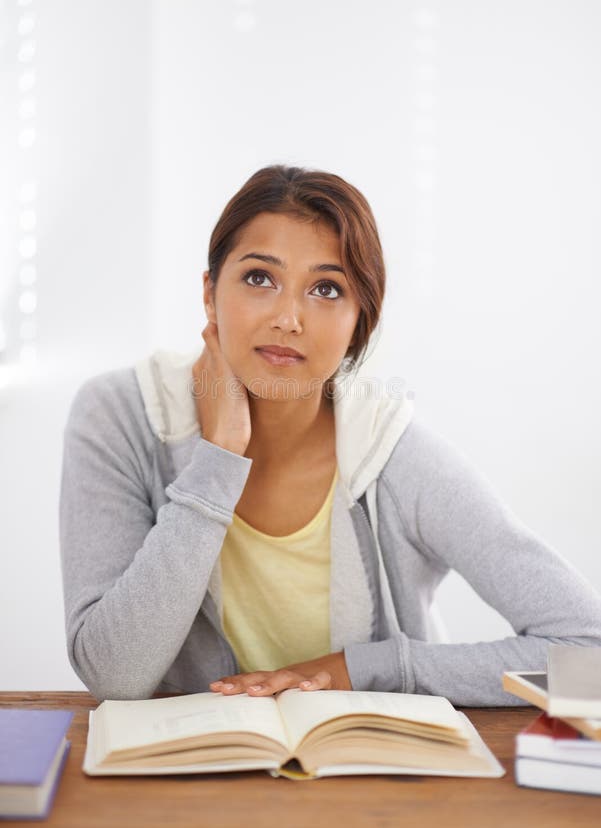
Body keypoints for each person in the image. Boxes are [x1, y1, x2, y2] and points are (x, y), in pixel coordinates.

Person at [59, 164, 601, 705]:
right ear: (209, 293)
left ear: (357, 324)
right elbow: (115, 675)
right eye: (258, 278)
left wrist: (362, 669)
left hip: (364, 778)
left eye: (325, 288)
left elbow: (588, 654)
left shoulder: (394, 459)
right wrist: (218, 460)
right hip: (187, 777)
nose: (288, 318)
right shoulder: (121, 417)